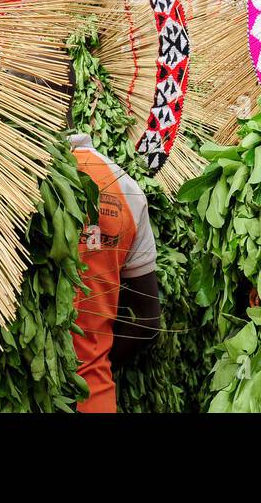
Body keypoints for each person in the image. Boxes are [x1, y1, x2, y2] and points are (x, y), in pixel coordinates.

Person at [68, 131, 161, 413]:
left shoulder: (13, 183)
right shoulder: (125, 187)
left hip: (22, 398)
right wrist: (98, 364)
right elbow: (148, 320)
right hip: (94, 397)